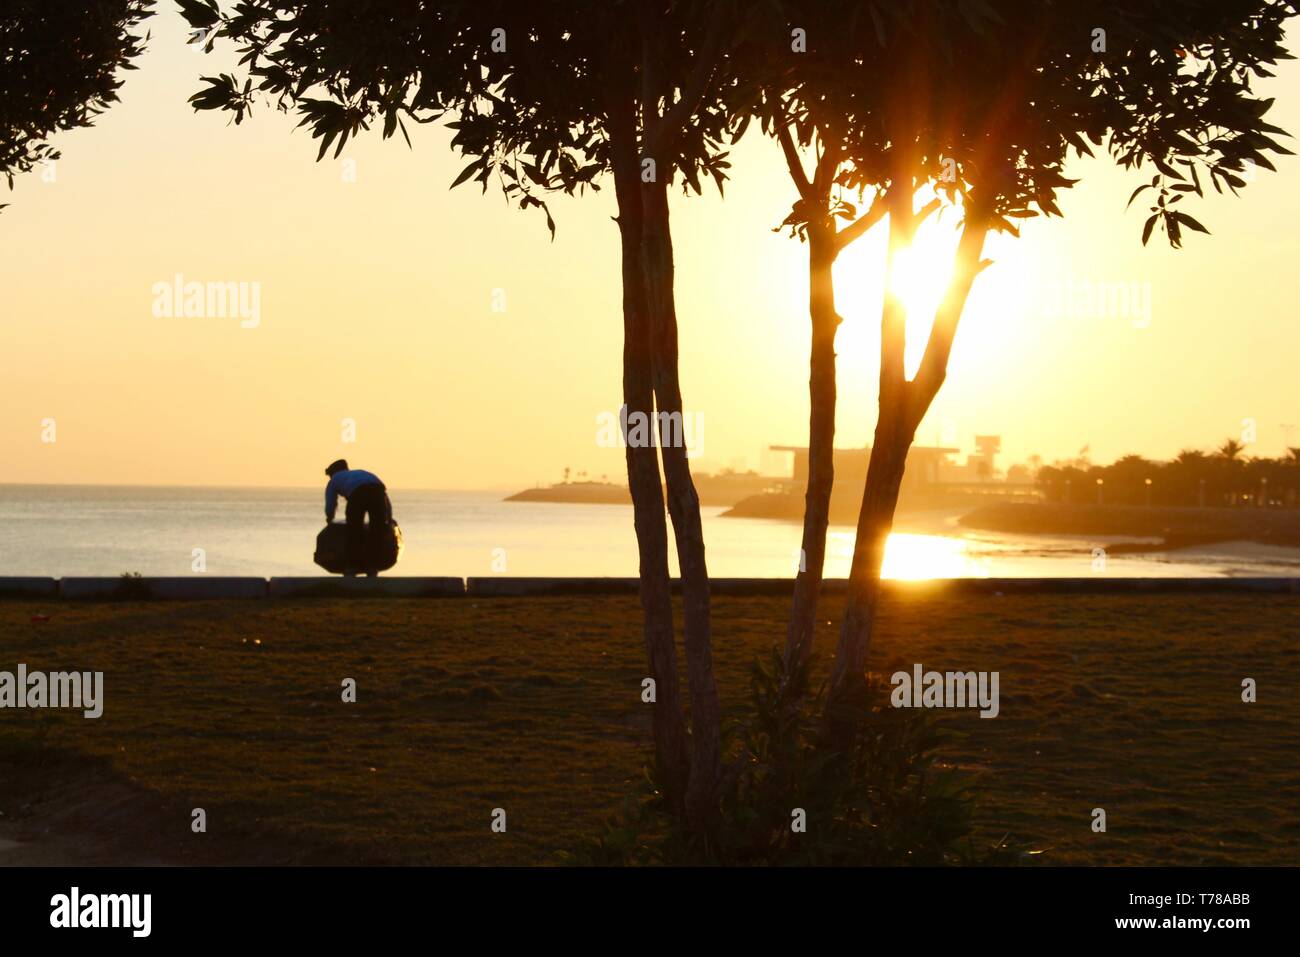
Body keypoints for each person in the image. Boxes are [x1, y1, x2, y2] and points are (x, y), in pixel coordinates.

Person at [324, 459, 392, 573]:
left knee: (354, 530)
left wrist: (329, 518)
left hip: (357, 494)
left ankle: (352, 567)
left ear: (332, 473)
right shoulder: (362, 474)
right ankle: (373, 568)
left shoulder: (334, 480)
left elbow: (331, 502)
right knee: (377, 530)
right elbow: (385, 499)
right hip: (377, 491)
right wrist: (388, 517)